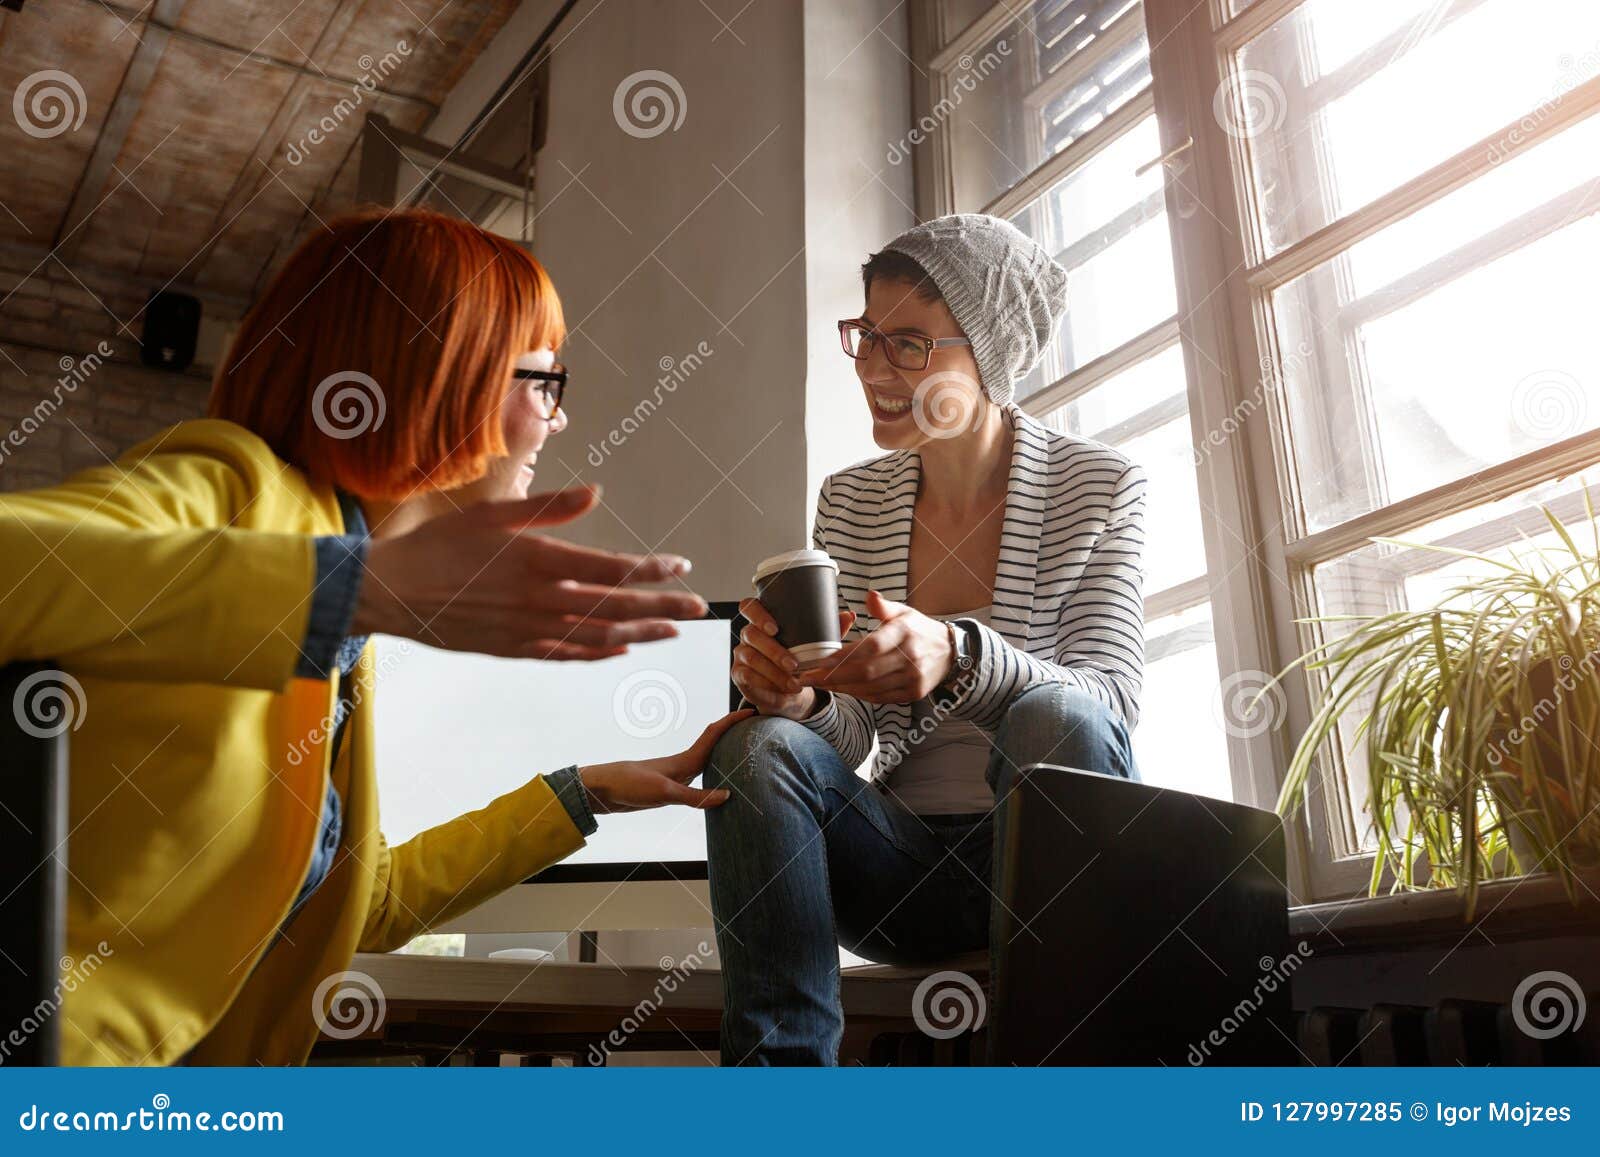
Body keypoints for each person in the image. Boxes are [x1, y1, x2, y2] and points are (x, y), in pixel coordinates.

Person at [0, 208, 747, 1065]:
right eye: (544, 381)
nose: (558, 419)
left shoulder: (354, 634)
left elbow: (363, 898)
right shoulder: (231, 487)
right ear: (437, 372)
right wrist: (343, 593)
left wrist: (585, 794)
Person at [705, 213, 1147, 1065]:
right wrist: (804, 699)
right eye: (867, 336)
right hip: (894, 868)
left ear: (990, 352)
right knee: (757, 746)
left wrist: (960, 656)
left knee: (1055, 713)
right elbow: (858, 730)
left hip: (1043, 861)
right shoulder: (851, 500)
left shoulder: (1100, 486)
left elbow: (1111, 706)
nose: (873, 367)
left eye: (908, 343)